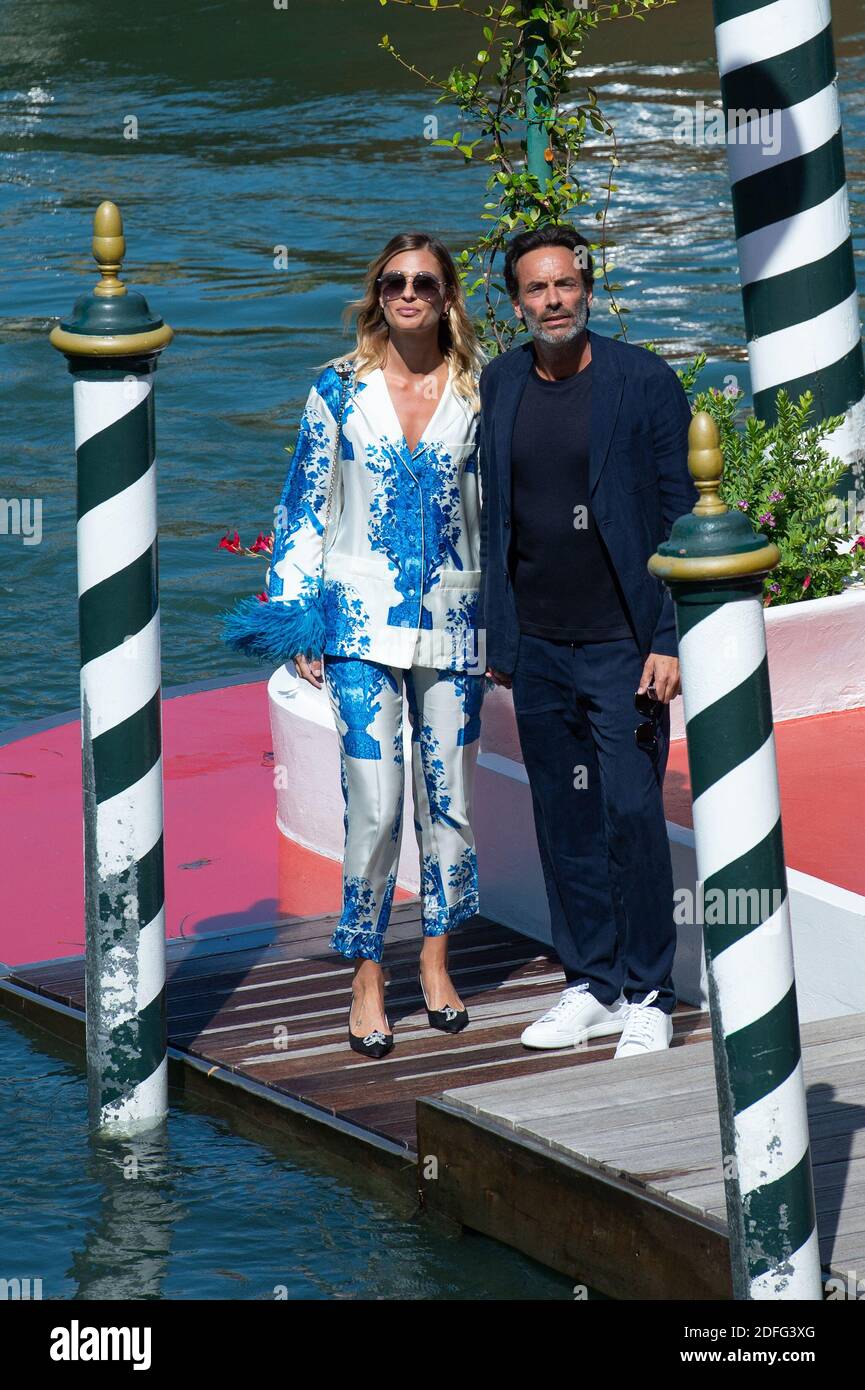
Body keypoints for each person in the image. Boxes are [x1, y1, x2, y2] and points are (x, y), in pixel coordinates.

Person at [223, 233, 487, 1059]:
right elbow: (303, 503)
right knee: (374, 807)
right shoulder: (337, 391)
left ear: (448, 297)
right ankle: (367, 972)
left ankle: (436, 961)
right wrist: (298, 614)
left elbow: (501, 510)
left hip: (453, 621)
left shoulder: (480, 392)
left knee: (451, 806)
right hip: (357, 625)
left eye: (424, 282)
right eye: (393, 282)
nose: (407, 293)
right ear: (377, 294)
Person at [477, 223, 698, 1059]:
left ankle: (650, 990)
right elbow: (495, 518)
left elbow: (681, 516)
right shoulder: (500, 384)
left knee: (632, 813)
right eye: (535, 289)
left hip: (622, 643)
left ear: (587, 288)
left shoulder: (640, 382)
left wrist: (669, 636)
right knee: (563, 817)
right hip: (536, 646)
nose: (552, 300)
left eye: (564, 284)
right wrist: (500, 635)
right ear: (516, 302)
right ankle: (591, 983)